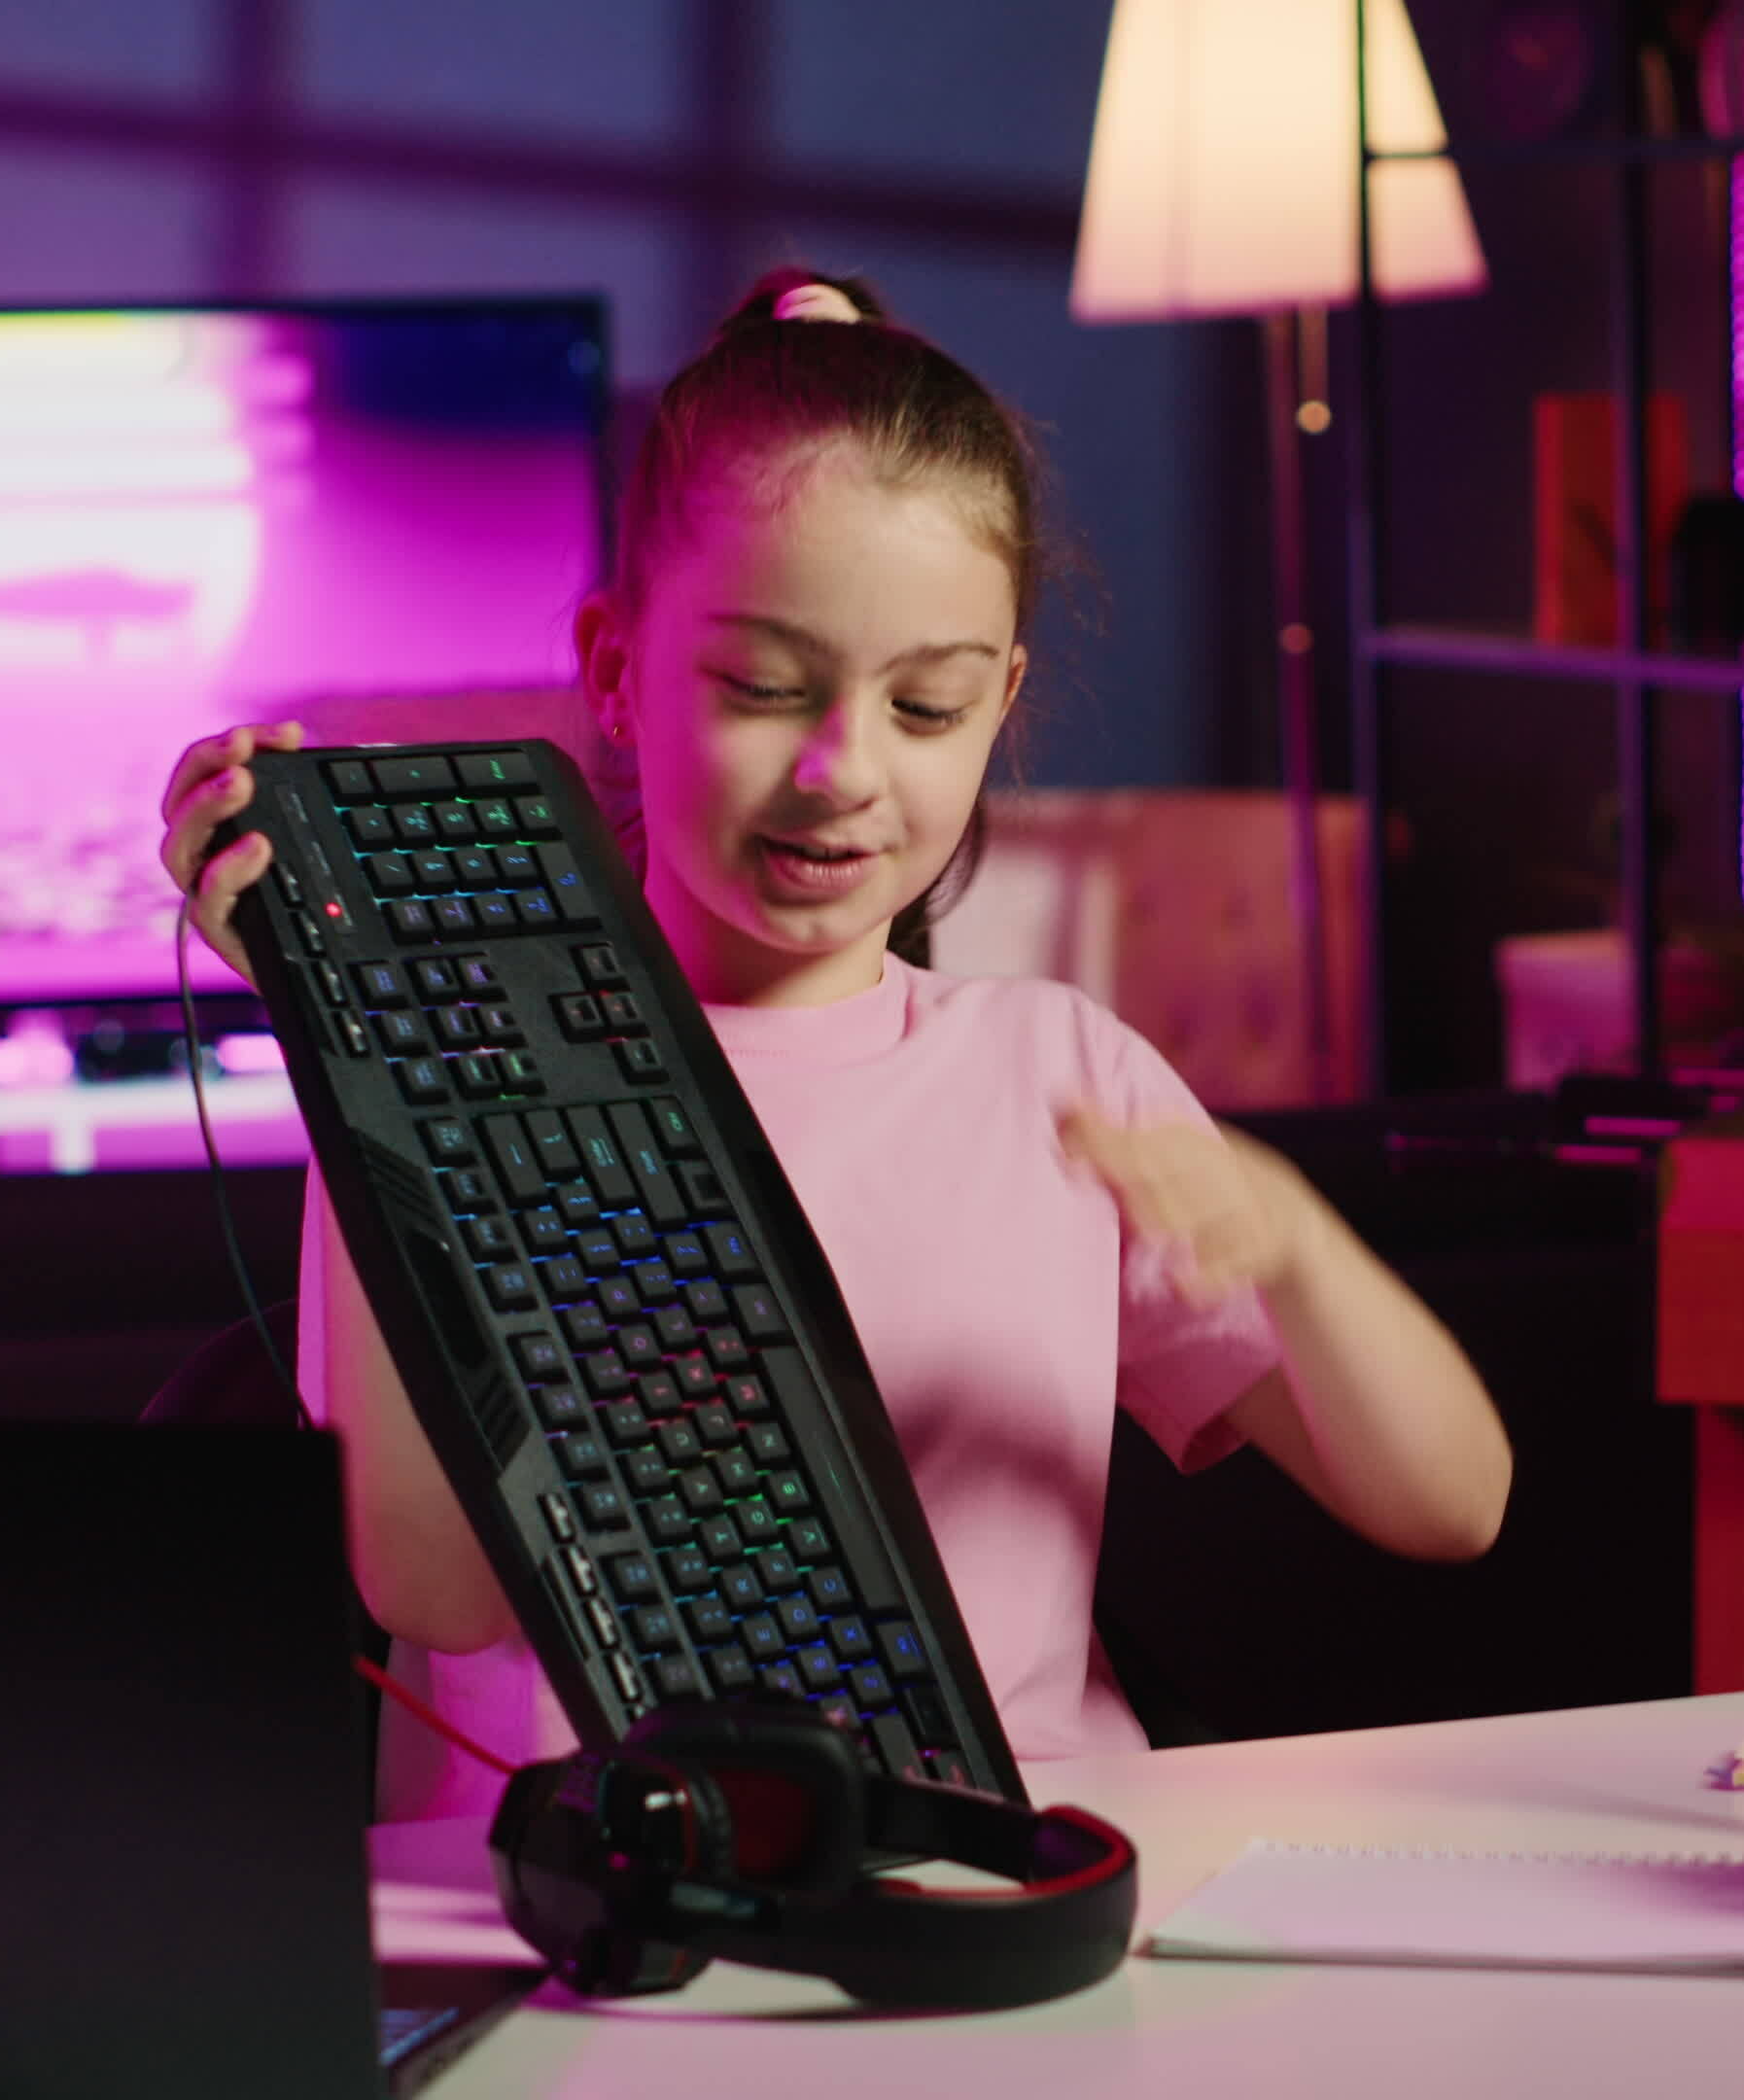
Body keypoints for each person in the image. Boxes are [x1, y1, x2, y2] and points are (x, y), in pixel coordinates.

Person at [159, 269, 1513, 1818]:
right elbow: (436, 1592)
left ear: (999, 701)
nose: (840, 770)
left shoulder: (1057, 1074)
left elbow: (1453, 1504)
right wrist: (363, 1049)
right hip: (592, 1897)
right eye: (762, 687)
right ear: (616, 671)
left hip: (1004, 1879)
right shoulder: (454, 1076)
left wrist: (1289, 1234)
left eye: (925, 709)